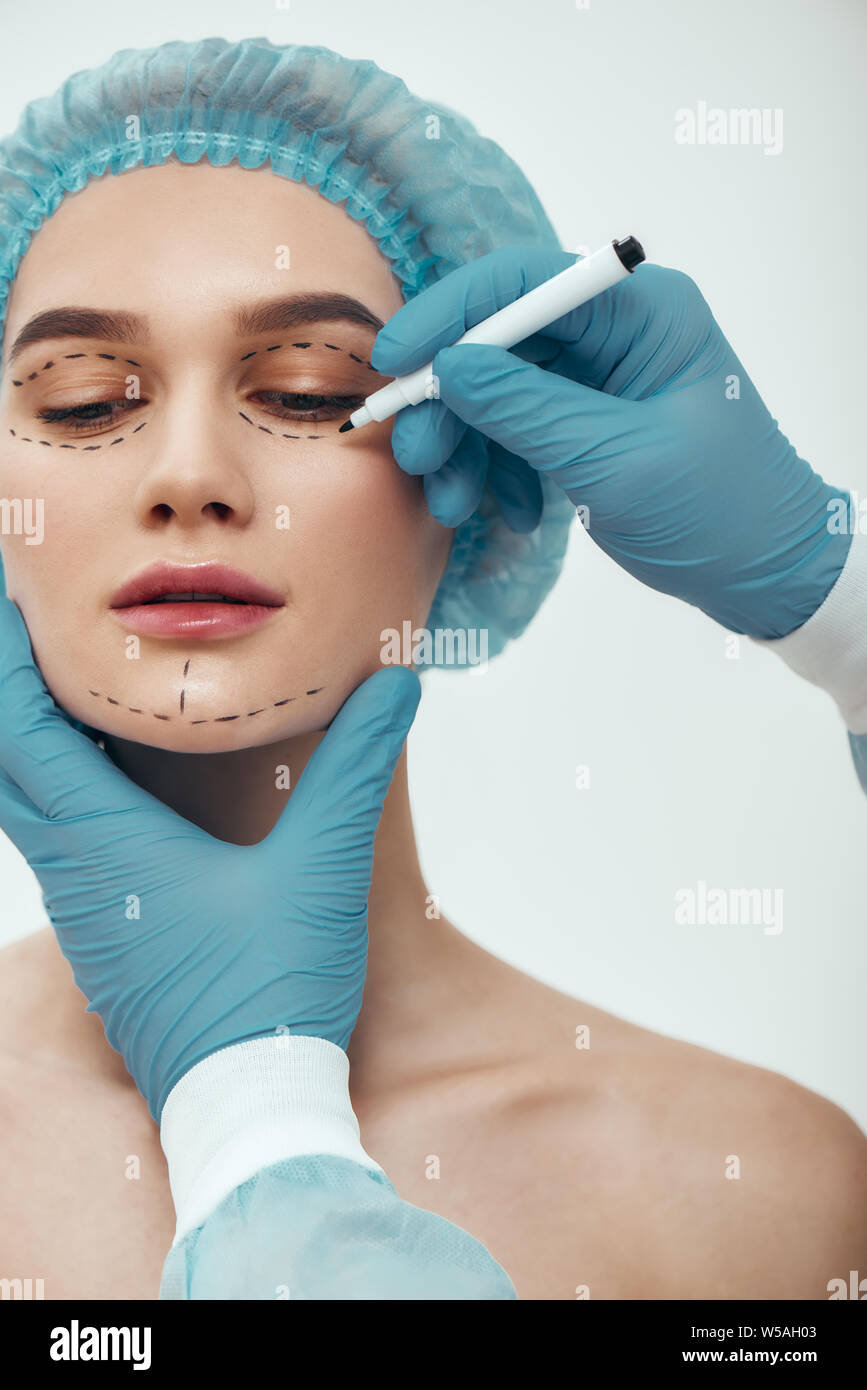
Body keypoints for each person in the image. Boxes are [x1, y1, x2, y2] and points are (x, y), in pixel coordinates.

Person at [0, 37, 864, 1302]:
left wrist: (837, 603)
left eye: (306, 392)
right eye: (80, 400)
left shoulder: (758, 1197)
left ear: (475, 476)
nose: (189, 477)